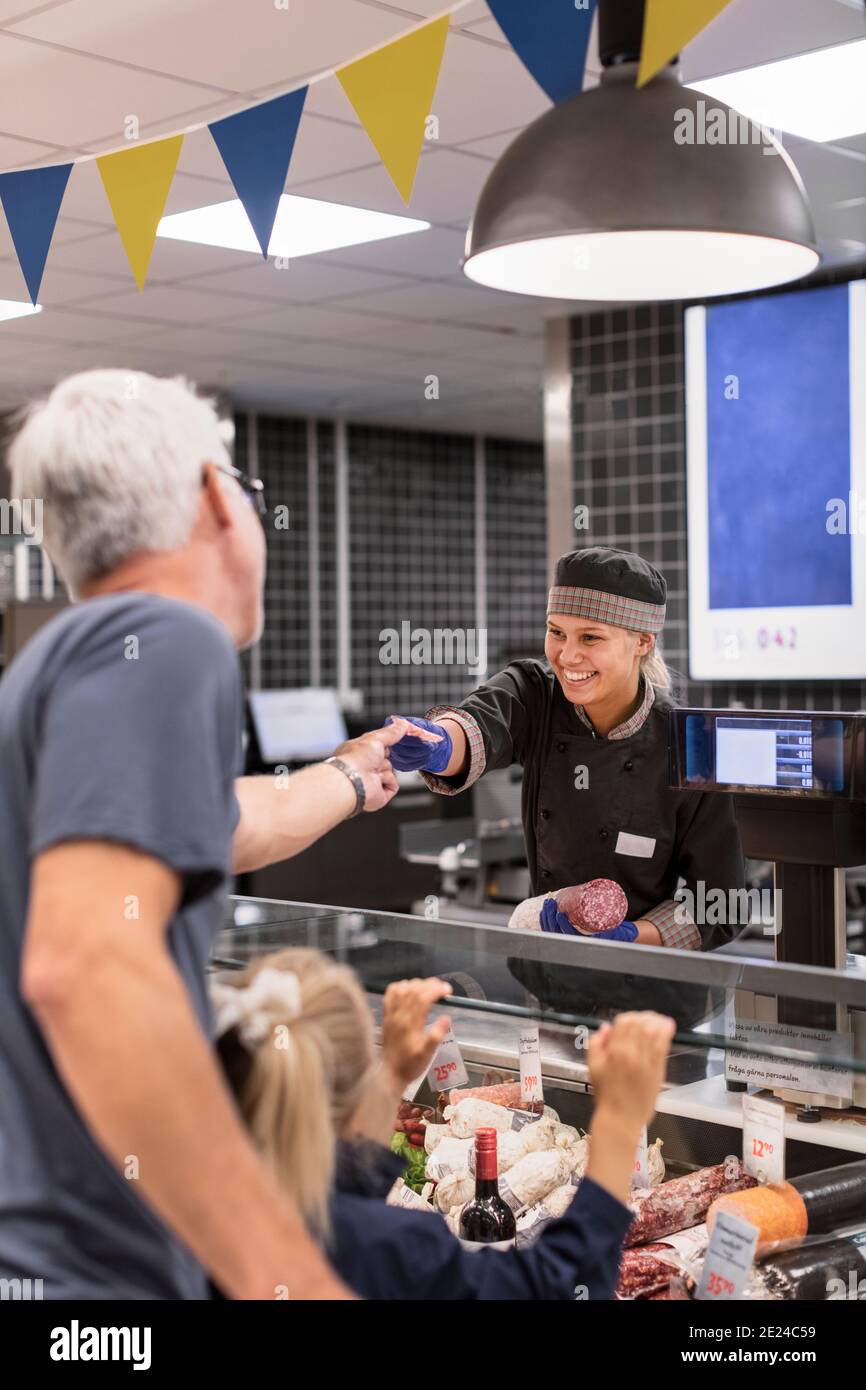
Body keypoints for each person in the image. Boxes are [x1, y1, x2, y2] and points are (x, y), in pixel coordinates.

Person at [0, 369, 441, 1300]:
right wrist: (279, 1270)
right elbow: (85, 965)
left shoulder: (56, 664)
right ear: (216, 496)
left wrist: (356, 777)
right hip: (91, 1278)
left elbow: (234, 823)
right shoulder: (167, 640)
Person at [381, 547, 746, 1022]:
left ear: (643, 643)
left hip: (653, 1005)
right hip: (547, 986)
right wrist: (439, 744)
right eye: (557, 632)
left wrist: (632, 937)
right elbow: (486, 720)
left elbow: (718, 904)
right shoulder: (537, 694)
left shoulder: (692, 744)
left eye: (590, 637)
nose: (567, 656)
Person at [213, 950, 676, 1300]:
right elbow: (553, 1286)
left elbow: (342, 1176)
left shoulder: (197, 1203)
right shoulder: (389, 1245)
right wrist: (618, 1123)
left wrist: (394, 1072)